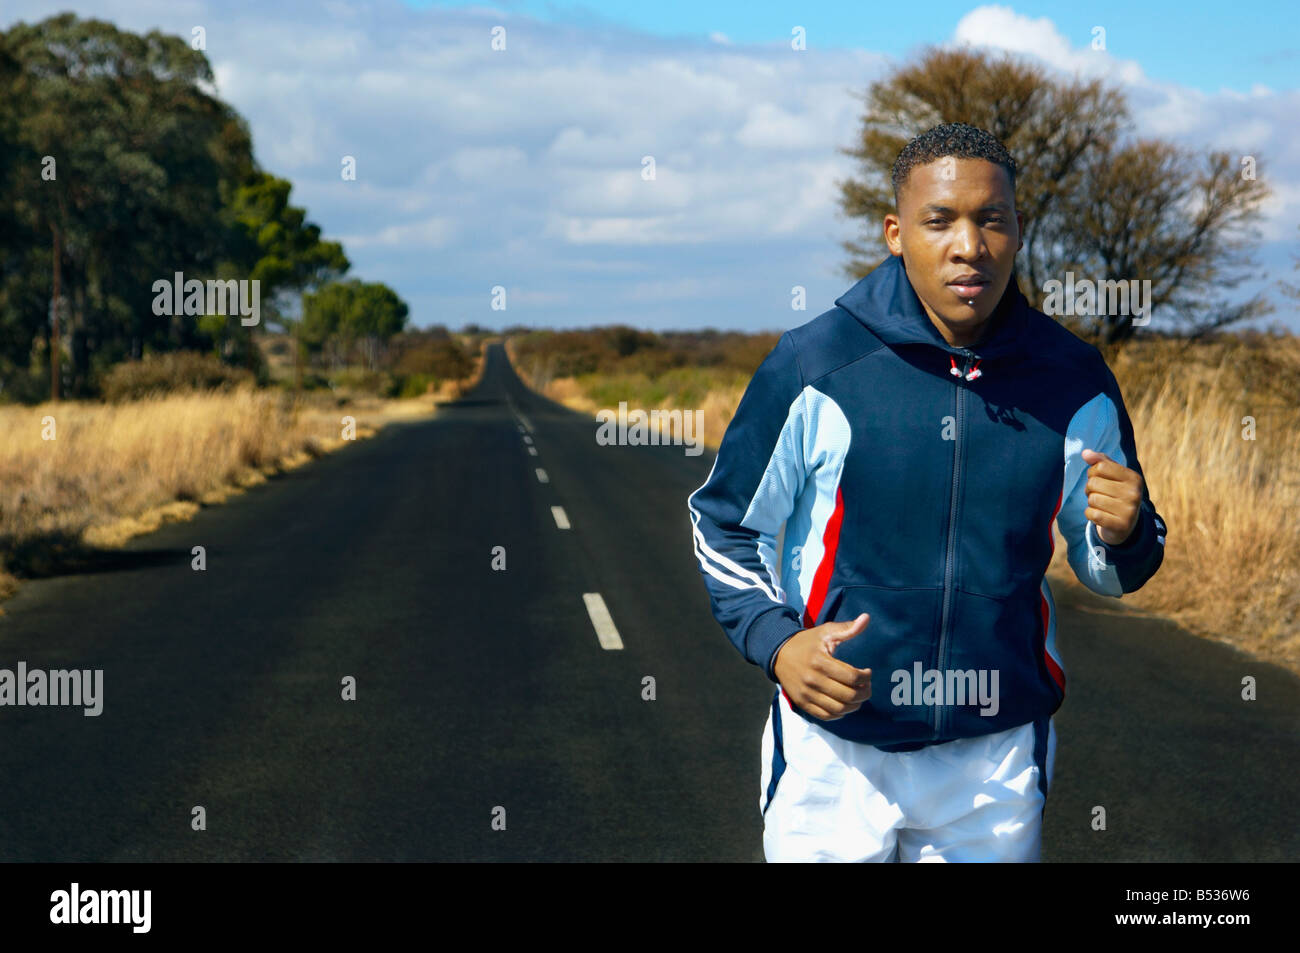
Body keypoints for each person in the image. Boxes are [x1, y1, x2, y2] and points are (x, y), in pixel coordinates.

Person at [686, 122, 1166, 862]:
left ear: (1017, 230)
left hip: (993, 760)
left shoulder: (1074, 380)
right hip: (835, 752)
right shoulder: (815, 363)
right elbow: (726, 524)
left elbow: (1108, 568)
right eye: (939, 220)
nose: (968, 244)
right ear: (895, 232)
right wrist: (780, 646)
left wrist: (1130, 532)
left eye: (991, 219)